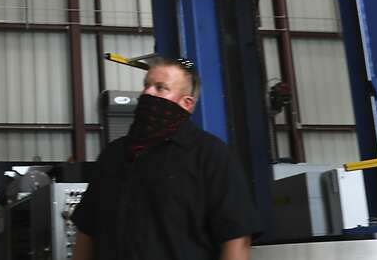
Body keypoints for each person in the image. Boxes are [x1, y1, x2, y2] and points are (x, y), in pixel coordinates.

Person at [71, 56, 256, 260]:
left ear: (187, 103)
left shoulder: (211, 156)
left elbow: (237, 237)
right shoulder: (114, 155)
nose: (147, 93)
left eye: (160, 88)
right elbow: (87, 231)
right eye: (146, 85)